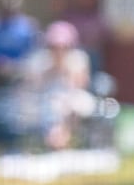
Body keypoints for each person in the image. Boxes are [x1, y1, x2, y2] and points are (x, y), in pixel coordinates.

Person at [20, 20, 95, 150]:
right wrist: (51, 70)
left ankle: (65, 138)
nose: (58, 50)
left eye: (63, 46)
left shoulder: (78, 58)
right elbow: (33, 86)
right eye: (54, 46)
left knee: (73, 106)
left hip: (72, 97)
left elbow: (81, 84)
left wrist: (65, 71)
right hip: (45, 99)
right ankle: (52, 140)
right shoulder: (41, 60)